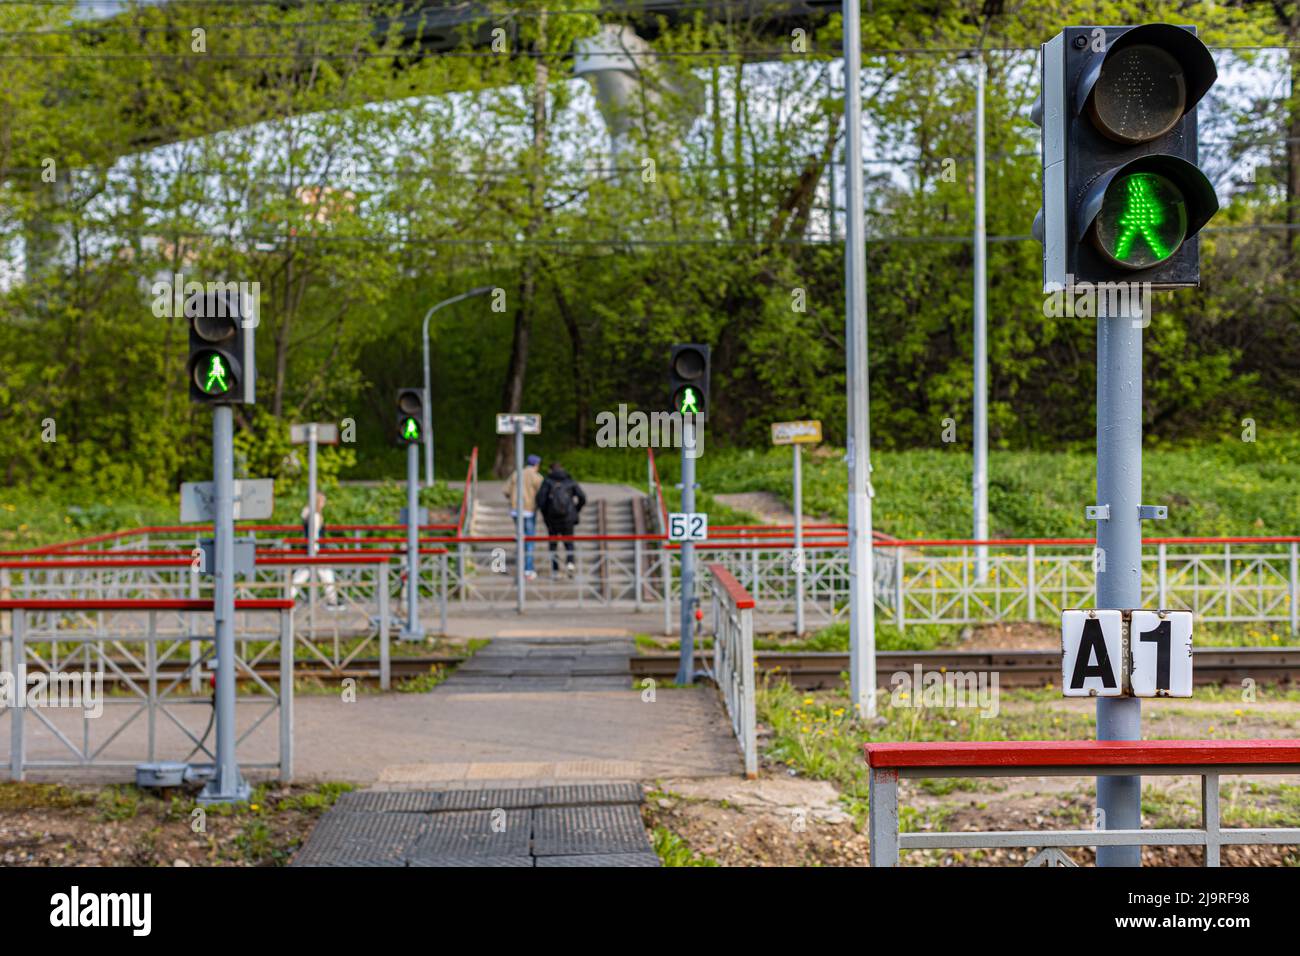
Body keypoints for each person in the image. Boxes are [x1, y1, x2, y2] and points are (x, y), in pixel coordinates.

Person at [535, 462, 586, 578]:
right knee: (569, 542)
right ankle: (570, 564)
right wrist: (575, 510)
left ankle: (555, 570)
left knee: (553, 544)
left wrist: (546, 514)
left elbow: (540, 500)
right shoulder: (570, 481)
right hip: (568, 518)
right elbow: (582, 497)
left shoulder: (547, 482)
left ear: (550, 470)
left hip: (552, 519)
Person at [292, 492, 339, 606]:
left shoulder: (308, 514)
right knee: (326, 575)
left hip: (310, 548)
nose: (324, 504)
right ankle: (333, 601)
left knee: (301, 575)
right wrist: (316, 550)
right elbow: (314, 535)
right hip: (316, 549)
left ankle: (288, 596)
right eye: (322, 501)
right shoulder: (315, 516)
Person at [504, 453, 544, 580]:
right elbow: (542, 493)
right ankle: (527, 570)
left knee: (521, 539)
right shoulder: (537, 477)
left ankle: (522, 567)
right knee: (529, 541)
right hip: (529, 510)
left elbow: (505, 490)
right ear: (536, 464)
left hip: (515, 510)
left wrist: (512, 499)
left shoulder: (516, 473)